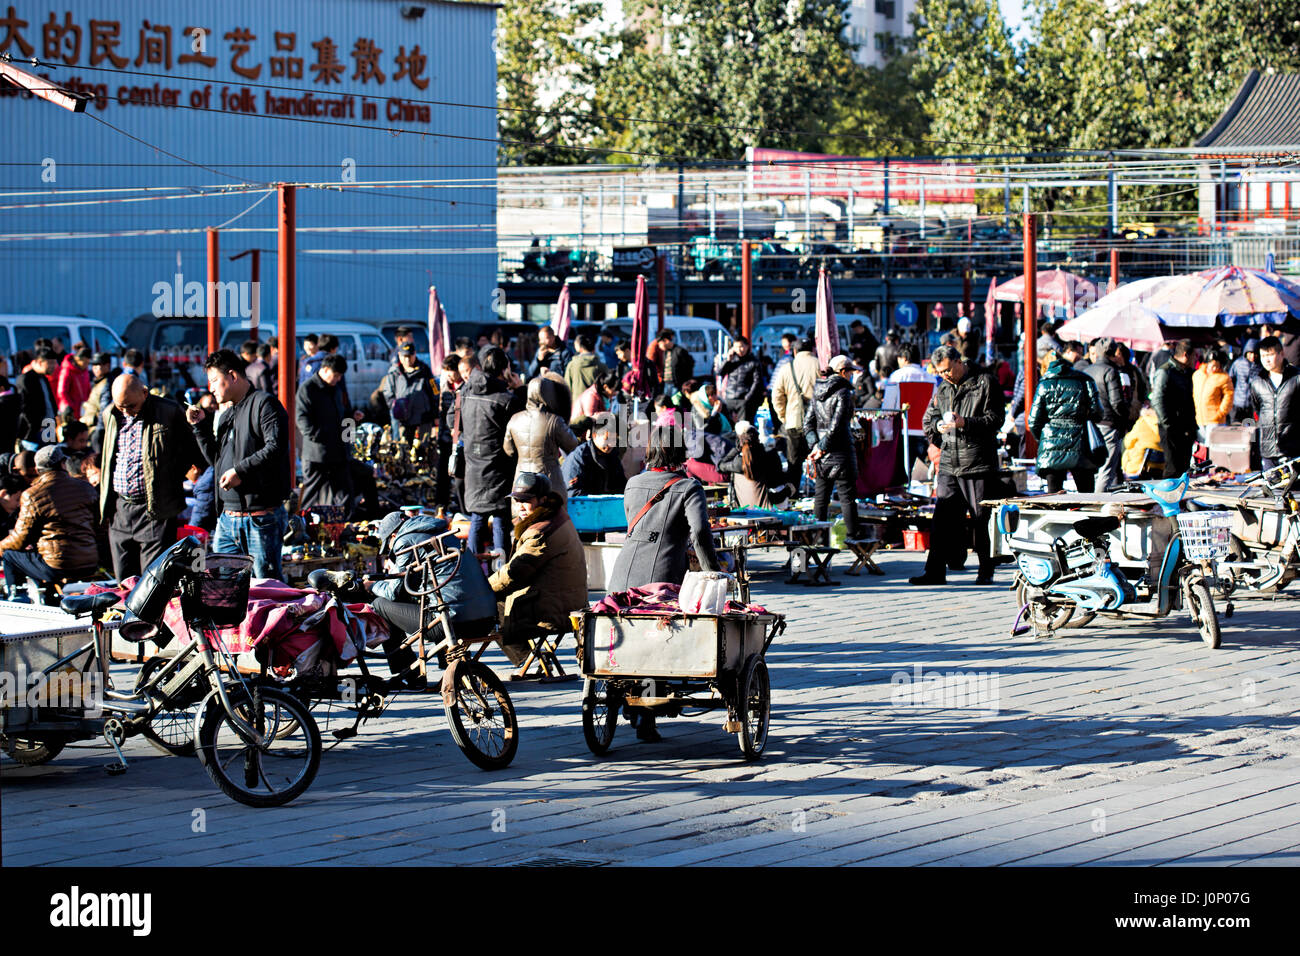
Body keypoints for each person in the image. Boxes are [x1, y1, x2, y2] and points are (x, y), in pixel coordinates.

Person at [187, 350, 291, 581]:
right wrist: (200, 427)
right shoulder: (226, 415)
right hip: (227, 518)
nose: (211, 388)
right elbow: (216, 459)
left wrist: (240, 471)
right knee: (225, 588)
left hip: (260, 518)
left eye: (215, 380)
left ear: (232, 376)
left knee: (266, 588)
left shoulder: (265, 405)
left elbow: (276, 447)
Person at [911, 345, 1005, 586]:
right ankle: (934, 571)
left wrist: (965, 423)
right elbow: (928, 420)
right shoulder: (943, 389)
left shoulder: (984, 382)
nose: (945, 375)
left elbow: (996, 419)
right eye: (940, 372)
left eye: (947, 370)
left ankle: (986, 570)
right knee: (941, 519)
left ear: (958, 361)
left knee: (981, 519)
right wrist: (937, 432)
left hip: (977, 461)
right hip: (949, 461)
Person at [99, 373, 203, 583]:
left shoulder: (168, 411)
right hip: (121, 507)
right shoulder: (111, 413)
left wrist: (169, 477)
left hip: (155, 506)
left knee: (151, 581)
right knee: (123, 579)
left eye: (130, 405)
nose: (126, 411)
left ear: (145, 393)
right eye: (121, 406)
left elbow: (192, 451)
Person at [488, 472, 588, 672]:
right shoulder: (558, 515)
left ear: (542, 500)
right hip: (569, 599)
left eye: (526, 501)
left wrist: (482, 588)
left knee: (487, 609)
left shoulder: (539, 532)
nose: (520, 506)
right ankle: (532, 659)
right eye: (517, 500)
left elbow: (515, 573)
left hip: (554, 608)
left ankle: (529, 660)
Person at [0, 445, 100, 602]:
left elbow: (20, 539)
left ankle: (18, 599)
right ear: (62, 464)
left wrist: (1, 546)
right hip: (90, 561)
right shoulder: (86, 488)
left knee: (9, 555)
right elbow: (99, 525)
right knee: (36, 557)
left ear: (38, 469)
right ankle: (48, 596)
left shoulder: (32, 494)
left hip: (58, 566)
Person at [461, 347, 525, 560]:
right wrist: (520, 390)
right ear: (504, 369)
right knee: (500, 518)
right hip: (499, 465)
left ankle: (471, 570)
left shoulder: (466, 392)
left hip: (473, 463)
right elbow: (522, 424)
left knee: (477, 517)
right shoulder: (506, 400)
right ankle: (501, 570)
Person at [804, 354, 865, 541]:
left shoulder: (817, 391)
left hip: (822, 454)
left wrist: (816, 446)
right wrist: (820, 447)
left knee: (821, 497)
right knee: (847, 497)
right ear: (843, 372)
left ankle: (818, 537)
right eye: (851, 372)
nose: (852, 376)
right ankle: (853, 536)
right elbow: (837, 426)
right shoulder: (843, 392)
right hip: (840, 452)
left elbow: (807, 424)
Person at [1028, 350, 1102, 494]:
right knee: (1086, 497)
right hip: (1081, 442)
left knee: (1054, 498)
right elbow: (1098, 413)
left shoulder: (1044, 384)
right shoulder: (1085, 380)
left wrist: (1043, 438)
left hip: (1051, 443)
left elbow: (1033, 421)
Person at [504, 375, 581, 505]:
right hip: (550, 479)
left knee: (524, 519)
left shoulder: (515, 419)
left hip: (521, 481)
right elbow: (572, 445)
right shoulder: (554, 421)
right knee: (552, 519)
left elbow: (509, 450)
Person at [297, 353, 359, 510]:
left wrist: (352, 417)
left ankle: (343, 525)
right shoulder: (307, 389)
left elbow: (341, 414)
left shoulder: (336, 389)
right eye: (336, 375)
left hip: (337, 451)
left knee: (345, 491)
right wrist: (320, 436)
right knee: (311, 493)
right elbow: (302, 419)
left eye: (340, 376)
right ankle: (302, 526)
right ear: (325, 369)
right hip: (317, 453)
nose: (337, 379)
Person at [1083, 337, 1130, 491]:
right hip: (1108, 423)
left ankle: (1094, 501)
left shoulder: (1087, 371)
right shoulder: (1110, 371)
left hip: (1090, 423)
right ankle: (1099, 503)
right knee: (1107, 469)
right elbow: (1117, 402)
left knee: (1096, 468)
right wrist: (1125, 418)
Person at [772, 336, 819, 483]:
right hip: (818, 421)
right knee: (819, 458)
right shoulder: (821, 365)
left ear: (794, 350)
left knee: (794, 461)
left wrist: (784, 416)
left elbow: (776, 395)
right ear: (812, 349)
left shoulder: (787, 367)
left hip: (794, 420)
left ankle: (793, 494)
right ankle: (819, 495)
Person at [1249, 336, 1300, 470]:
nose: (1266, 359)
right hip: (1268, 450)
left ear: (1281, 353)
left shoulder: (1296, 378)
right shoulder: (1257, 382)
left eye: (1270, 354)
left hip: (1293, 449)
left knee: (1293, 489)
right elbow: (1256, 410)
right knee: (1272, 489)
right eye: (1263, 355)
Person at [1150, 340, 1197, 477]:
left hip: (1186, 427)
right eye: (1194, 356)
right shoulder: (1165, 372)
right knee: (1173, 468)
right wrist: (1168, 424)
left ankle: (1182, 497)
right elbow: (1157, 399)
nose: (1195, 360)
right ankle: (1169, 497)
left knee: (1183, 469)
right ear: (1185, 355)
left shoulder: (1186, 372)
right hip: (1171, 429)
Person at [719, 421, 793, 508]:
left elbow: (720, 465)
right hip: (768, 511)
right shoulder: (769, 458)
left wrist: (736, 449)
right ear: (758, 440)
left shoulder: (738, 463)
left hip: (744, 509)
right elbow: (776, 492)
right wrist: (789, 490)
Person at [381, 342, 435, 442]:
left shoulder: (425, 370)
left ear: (415, 354)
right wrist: (395, 405)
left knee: (421, 450)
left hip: (422, 418)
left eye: (410, 356)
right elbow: (387, 392)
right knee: (401, 449)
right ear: (399, 356)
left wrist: (434, 413)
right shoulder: (394, 372)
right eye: (404, 356)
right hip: (401, 420)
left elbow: (435, 391)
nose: (407, 359)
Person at [563, 417, 627, 497]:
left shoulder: (613, 457)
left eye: (613, 440)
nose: (610, 444)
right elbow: (573, 492)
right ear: (595, 435)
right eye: (607, 439)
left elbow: (621, 486)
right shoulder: (579, 458)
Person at [17, 347, 58, 451]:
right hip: (35, 429)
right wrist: (33, 426)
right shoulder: (26, 379)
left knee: (50, 455)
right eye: (51, 363)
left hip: (48, 424)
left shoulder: (43, 378)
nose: (54, 366)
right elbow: (24, 407)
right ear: (40, 362)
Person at [716, 335, 764, 425]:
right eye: (737, 347)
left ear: (747, 346)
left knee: (744, 426)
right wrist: (727, 360)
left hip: (744, 398)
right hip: (730, 397)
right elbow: (719, 372)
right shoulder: (732, 360)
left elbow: (757, 382)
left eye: (742, 346)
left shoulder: (754, 362)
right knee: (728, 425)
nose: (740, 349)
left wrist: (747, 397)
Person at [1193, 348, 1234, 430]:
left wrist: (1220, 413)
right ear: (1207, 363)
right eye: (1213, 365)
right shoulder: (1197, 375)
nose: (1215, 368)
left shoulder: (1224, 377)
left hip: (1215, 421)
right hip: (1199, 418)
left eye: (1217, 366)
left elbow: (1229, 397)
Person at [572, 368, 619, 436]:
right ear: (605, 387)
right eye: (614, 390)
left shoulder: (607, 396)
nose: (616, 393)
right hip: (580, 433)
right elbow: (590, 419)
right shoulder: (590, 396)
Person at [563, 332, 607, 405]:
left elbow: (567, 388)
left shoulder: (572, 365)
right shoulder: (600, 365)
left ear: (578, 347)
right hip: (596, 405)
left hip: (577, 405)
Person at [1229, 338, 1262, 424]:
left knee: (1251, 431)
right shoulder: (1238, 363)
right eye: (1250, 353)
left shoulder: (1260, 366)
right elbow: (1230, 379)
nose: (1253, 356)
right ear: (1246, 352)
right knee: (1235, 429)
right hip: (1237, 403)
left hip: (1252, 406)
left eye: (1255, 353)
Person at [81, 352, 118, 428]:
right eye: (93, 365)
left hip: (97, 427)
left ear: (107, 365)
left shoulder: (107, 384)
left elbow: (104, 410)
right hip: (90, 425)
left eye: (98, 364)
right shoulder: (98, 381)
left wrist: (99, 429)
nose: (94, 368)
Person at [56, 346, 92, 418]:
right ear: (78, 359)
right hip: (70, 411)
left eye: (88, 363)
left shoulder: (84, 371)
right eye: (85, 362)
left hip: (82, 409)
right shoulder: (67, 371)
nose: (87, 365)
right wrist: (72, 406)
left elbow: (88, 389)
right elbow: (62, 392)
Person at [660, 332, 695, 398]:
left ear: (666, 341)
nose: (659, 346)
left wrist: (685, 381)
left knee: (676, 402)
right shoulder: (665, 352)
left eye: (660, 343)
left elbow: (689, 365)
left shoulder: (679, 351)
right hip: (667, 383)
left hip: (676, 384)